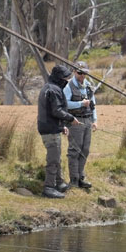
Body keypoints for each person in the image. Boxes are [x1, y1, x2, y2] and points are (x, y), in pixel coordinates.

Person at [36, 65, 79, 198]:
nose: (67, 80)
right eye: (65, 78)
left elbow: (51, 111)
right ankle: (48, 188)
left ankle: (59, 183)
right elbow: (56, 111)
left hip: (50, 127)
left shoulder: (49, 87)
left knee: (57, 156)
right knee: (53, 159)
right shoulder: (53, 90)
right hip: (49, 129)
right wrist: (71, 118)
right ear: (59, 78)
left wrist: (61, 127)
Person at [64, 61, 98, 190]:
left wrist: (95, 120)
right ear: (74, 72)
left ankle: (80, 178)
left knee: (85, 150)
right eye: (79, 73)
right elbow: (65, 104)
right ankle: (73, 179)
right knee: (74, 151)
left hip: (88, 120)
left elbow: (93, 104)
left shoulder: (88, 85)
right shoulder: (68, 86)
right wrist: (80, 104)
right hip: (75, 121)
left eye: (85, 73)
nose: (82, 75)